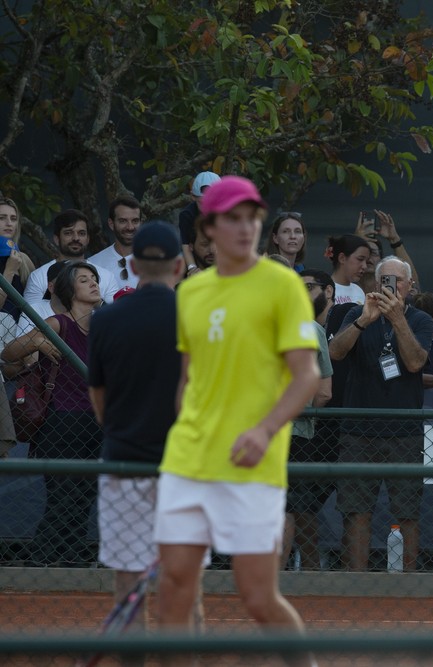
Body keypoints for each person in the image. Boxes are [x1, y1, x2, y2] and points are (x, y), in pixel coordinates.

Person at [154, 176, 320, 667]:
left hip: (254, 465)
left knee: (258, 598)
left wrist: (264, 430)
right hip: (189, 459)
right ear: (209, 227)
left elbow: (306, 375)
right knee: (175, 587)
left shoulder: (282, 284)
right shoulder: (190, 292)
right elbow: (188, 380)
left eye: (253, 217)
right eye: (233, 218)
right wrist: (179, 433)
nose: (246, 227)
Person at [87, 222, 187, 643]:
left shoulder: (106, 318)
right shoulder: (196, 317)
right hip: (184, 467)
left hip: (124, 459)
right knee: (182, 588)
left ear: (130, 265)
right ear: (180, 266)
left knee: (128, 583)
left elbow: (100, 403)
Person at [329, 256, 432, 572]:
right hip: (359, 429)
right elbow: (335, 353)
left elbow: (416, 363)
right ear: (374, 284)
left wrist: (398, 319)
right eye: (385, 280)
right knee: (356, 511)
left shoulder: (420, 319)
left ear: (410, 285)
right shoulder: (353, 312)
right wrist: (363, 320)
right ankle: (356, 585)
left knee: (407, 512)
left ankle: (408, 583)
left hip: (404, 431)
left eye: (398, 281)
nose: (392, 286)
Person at [3, 261, 104, 566]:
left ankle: (72, 559)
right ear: (70, 290)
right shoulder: (59, 323)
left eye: (94, 279)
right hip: (62, 419)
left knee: (85, 494)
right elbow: (8, 353)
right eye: (84, 280)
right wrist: (36, 340)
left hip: (96, 421)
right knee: (63, 495)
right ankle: (41, 559)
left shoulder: (103, 328)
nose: (93, 283)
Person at [281, 269, 334, 571]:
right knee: (291, 508)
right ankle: (296, 575)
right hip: (298, 433)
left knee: (276, 507)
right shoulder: (311, 329)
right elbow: (324, 393)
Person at [24, 209, 122, 308]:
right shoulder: (38, 276)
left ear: (88, 239)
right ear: (57, 239)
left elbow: (114, 317)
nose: (76, 238)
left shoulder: (107, 277)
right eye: (68, 233)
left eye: (81, 233)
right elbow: (29, 318)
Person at [88, 195, 142, 289]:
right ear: (111, 224)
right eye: (123, 221)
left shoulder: (156, 262)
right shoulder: (93, 264)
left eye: (135, 221)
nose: (130, 227)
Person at [0, 196, 36, 322]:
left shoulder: (24, 260)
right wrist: (9, 271)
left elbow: (37, 301)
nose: (9, 223)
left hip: (21, 334)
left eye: (13, 219)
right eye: (2, 218)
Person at [178, 170, 220, 276]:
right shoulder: (187, 215)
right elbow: (186, 244)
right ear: (193, 196)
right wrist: (192, 268)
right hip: (196, 255)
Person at [325, 233, 370, 306]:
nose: (365, 266)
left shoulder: (358, 290)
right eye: (360, 259)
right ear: (342, 258)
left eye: (367, 261)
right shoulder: (324, 290)